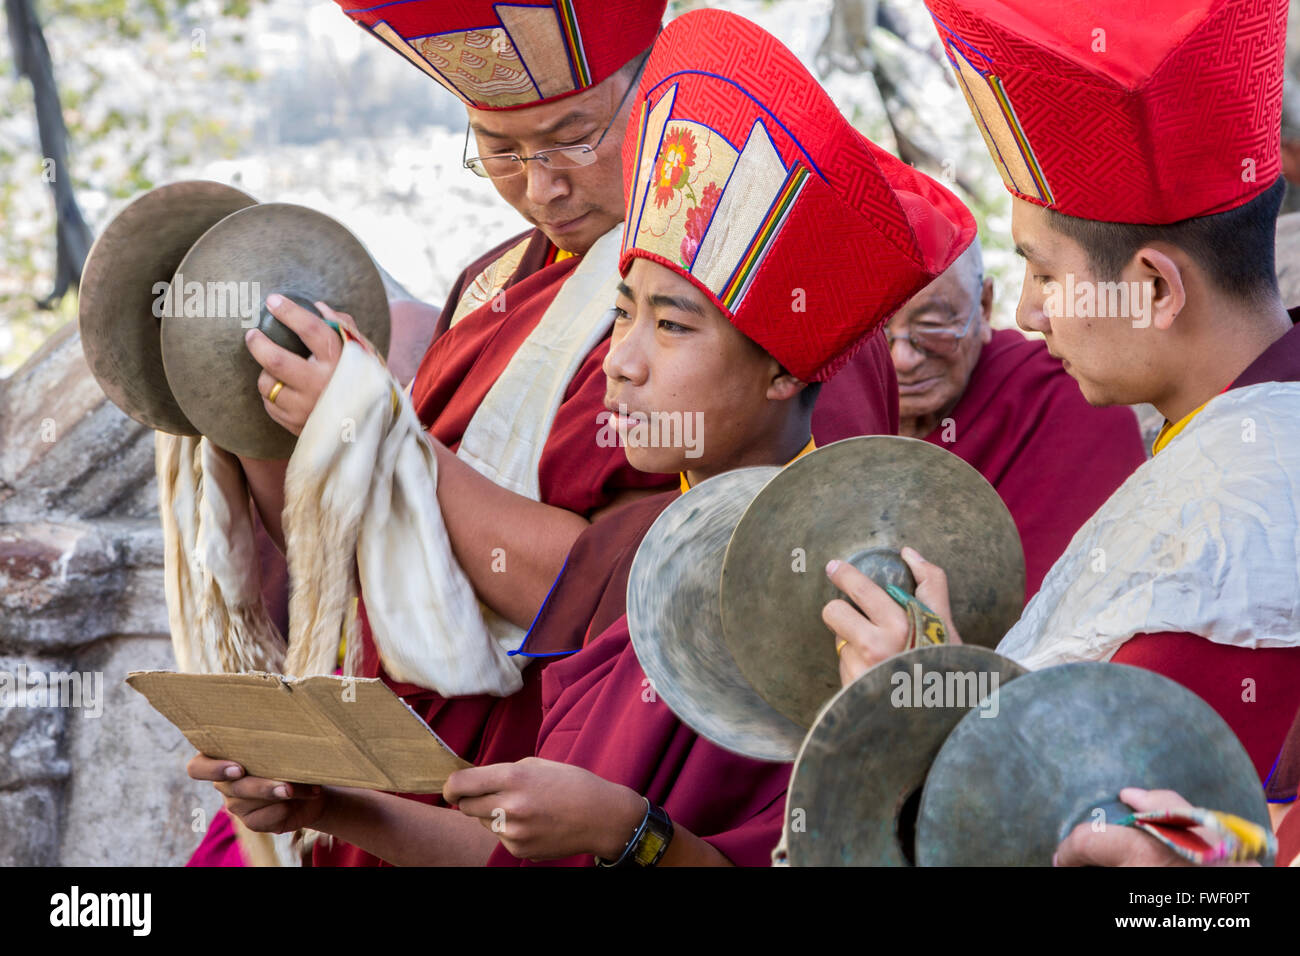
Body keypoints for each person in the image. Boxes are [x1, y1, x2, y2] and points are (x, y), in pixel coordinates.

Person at [188, 7, 976, 866]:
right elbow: (519, 851)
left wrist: (383, 437)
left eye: (573, 139)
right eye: (502, 148)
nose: (542, 186)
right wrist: (335, 801)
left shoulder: (816, 583)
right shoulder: (626, 549)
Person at [825, 0, 1300, 783]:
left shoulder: (1235, 531)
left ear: (1152, 287)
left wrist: (915, 709)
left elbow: (1077, 827)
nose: (1026, 313)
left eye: (1044, 273)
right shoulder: (1227, 431)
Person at [883, 238, 1145, 598]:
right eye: (875, 330)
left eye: (930, 327)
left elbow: (1074, 616)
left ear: (984, 305)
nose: (902, 360)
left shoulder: (1064, 403)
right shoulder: (826, 403)